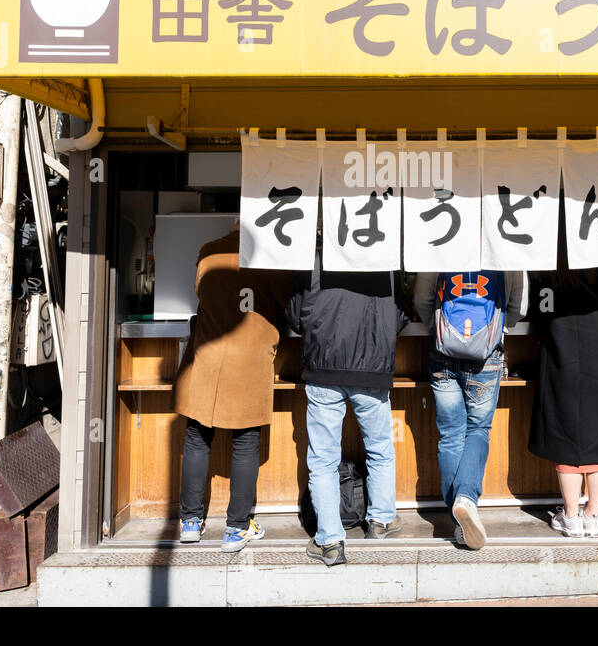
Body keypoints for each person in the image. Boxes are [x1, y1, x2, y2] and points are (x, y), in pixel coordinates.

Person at [286, 246, 409, 566]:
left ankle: (329, 541)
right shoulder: (387, 256)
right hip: (373, 368)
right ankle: (381, 521)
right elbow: (400, 314)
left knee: (323, 459)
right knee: (380, 448)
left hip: (323, 366)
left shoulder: (315, 258)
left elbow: (296, 314)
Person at [173, 224, 293, 552]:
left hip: (208, 354)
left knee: (197, 438)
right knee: (245, 444)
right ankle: (236, 528)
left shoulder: (209, 251)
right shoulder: (277, 260)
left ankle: (190, 522)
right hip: (251, 358)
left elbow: (200, 290)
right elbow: (285, 306)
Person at [527, 234, 598, 538]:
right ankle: (593, 515)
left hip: (559, 356)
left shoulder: (546, 265)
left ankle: (571, 517)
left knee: (565, 433)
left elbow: (539, 311)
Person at [414, 269, 525, 550]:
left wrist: (438, 329)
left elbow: (421, 299)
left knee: (450, 435)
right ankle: (466, 499)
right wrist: (498, 328)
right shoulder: (506, 246)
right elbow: (519, 306)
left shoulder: (440, 243)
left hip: (443, 355)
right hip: (486, 355)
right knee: (478, 430)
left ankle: (458, 521)